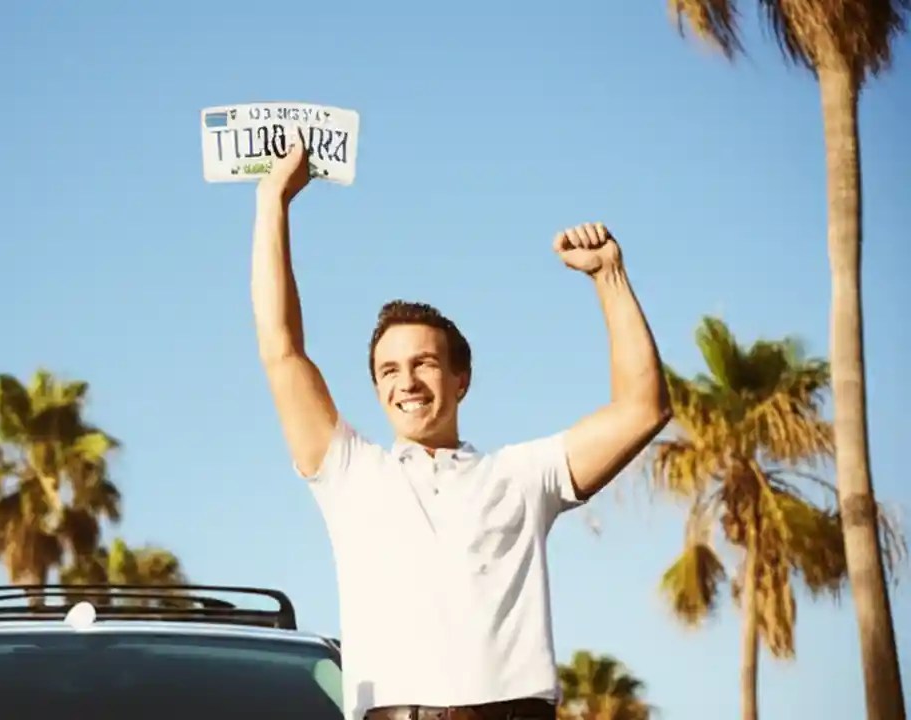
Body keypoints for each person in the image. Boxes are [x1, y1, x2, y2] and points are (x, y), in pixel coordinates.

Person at [250, 142, 672, 720]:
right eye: (389, 371)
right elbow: (282, 350)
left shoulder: (523, 476)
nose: (408, 383)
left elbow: (643, 409)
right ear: (377, 390)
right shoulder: (350, 473)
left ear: (460, 378)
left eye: (424, 363)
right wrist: (273, 200)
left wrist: (609, 276)